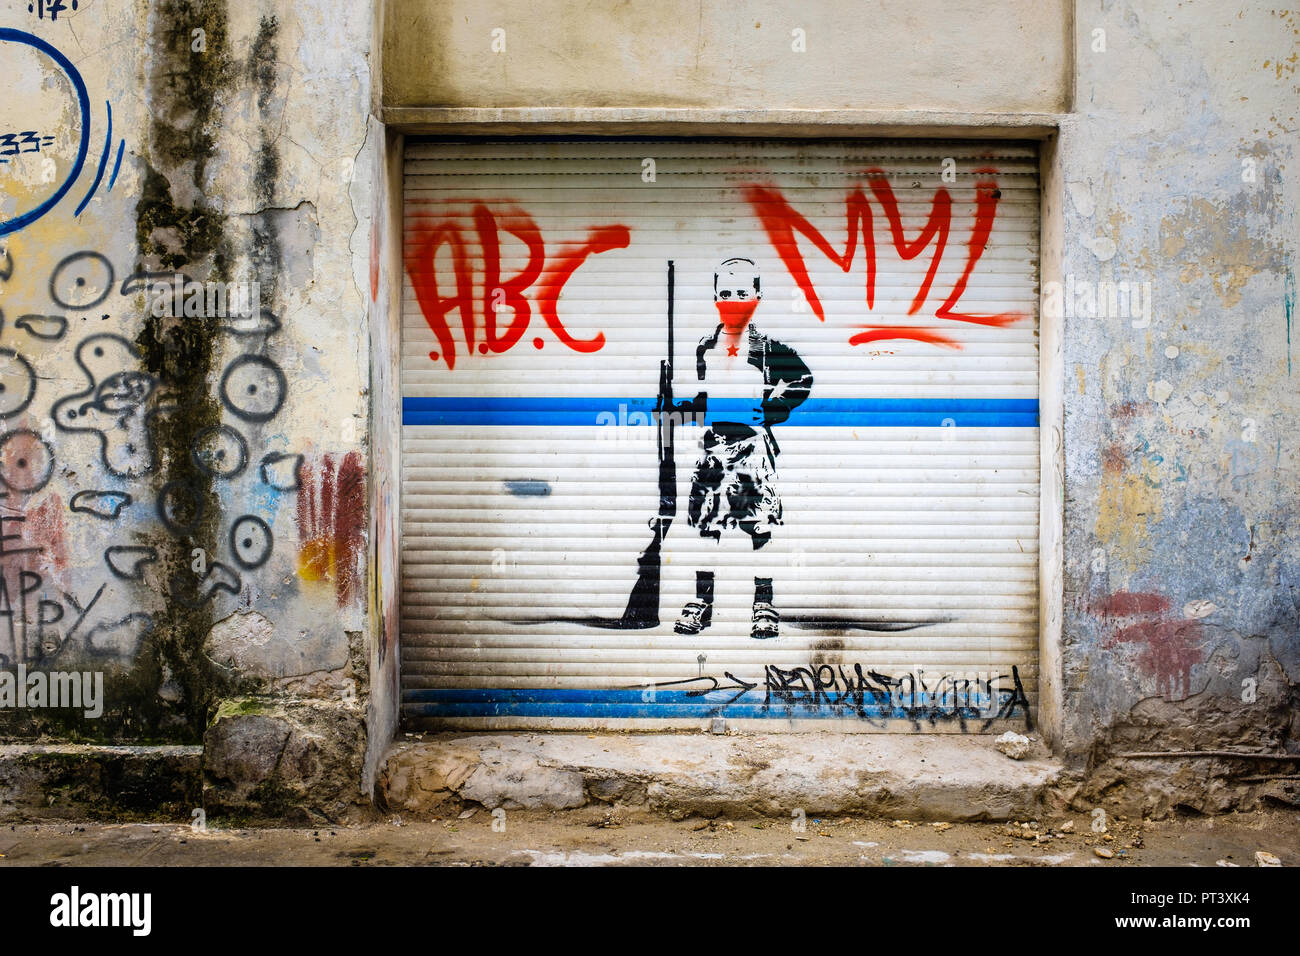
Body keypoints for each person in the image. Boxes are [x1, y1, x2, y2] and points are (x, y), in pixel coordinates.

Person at [673, 258, 812, 639]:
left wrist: (773, 408)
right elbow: (701, 398)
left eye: (742, 293)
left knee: (759, 525)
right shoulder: (705, 346)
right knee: (707, 525)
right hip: (714, 447)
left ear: (757, 296)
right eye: (725, 294)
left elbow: (801, 378)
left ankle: (763, 605)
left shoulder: (766, 349)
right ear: (715, 298)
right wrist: (680, 409)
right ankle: (701, 602)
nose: (733, 301)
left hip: (752, 446)